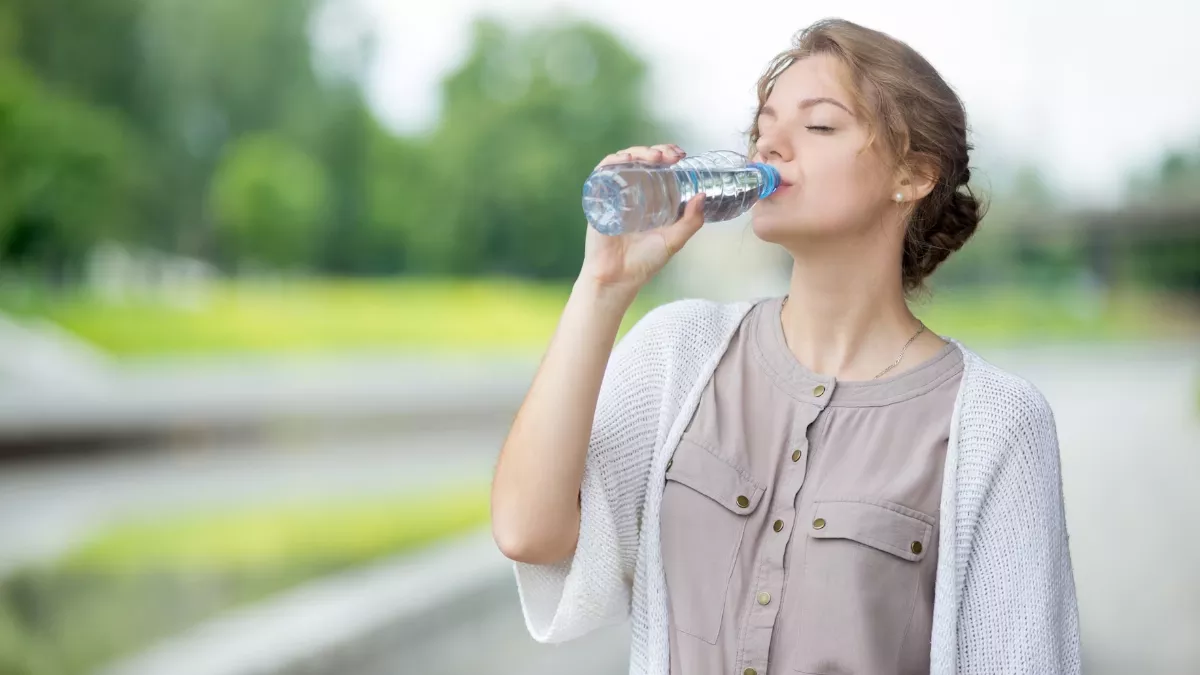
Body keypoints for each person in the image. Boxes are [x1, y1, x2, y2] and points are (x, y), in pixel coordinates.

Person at [490, 17, 1080, 675]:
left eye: (819, 125)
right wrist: (603, 284)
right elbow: (527, 532)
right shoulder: (679, 351)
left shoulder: (997, 423)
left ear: (913, 175)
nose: (770, 143)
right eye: (763, 125)